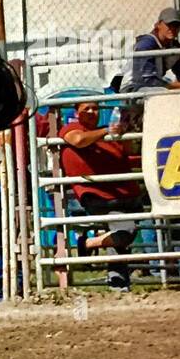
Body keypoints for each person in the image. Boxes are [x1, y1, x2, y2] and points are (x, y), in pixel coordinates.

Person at [60, 99, 144, 291]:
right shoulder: (72, 128)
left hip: (125, 193)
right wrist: (107, 130)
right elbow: (78, 141)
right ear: (77, 112)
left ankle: (119, 285)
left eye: (95, 108)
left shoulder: (109, 135)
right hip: (99, 195)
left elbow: (127, 152)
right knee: (125, 234)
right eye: (86, 108)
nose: (92, 112)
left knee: (121, 238)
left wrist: (125, 134)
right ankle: (88, 243)